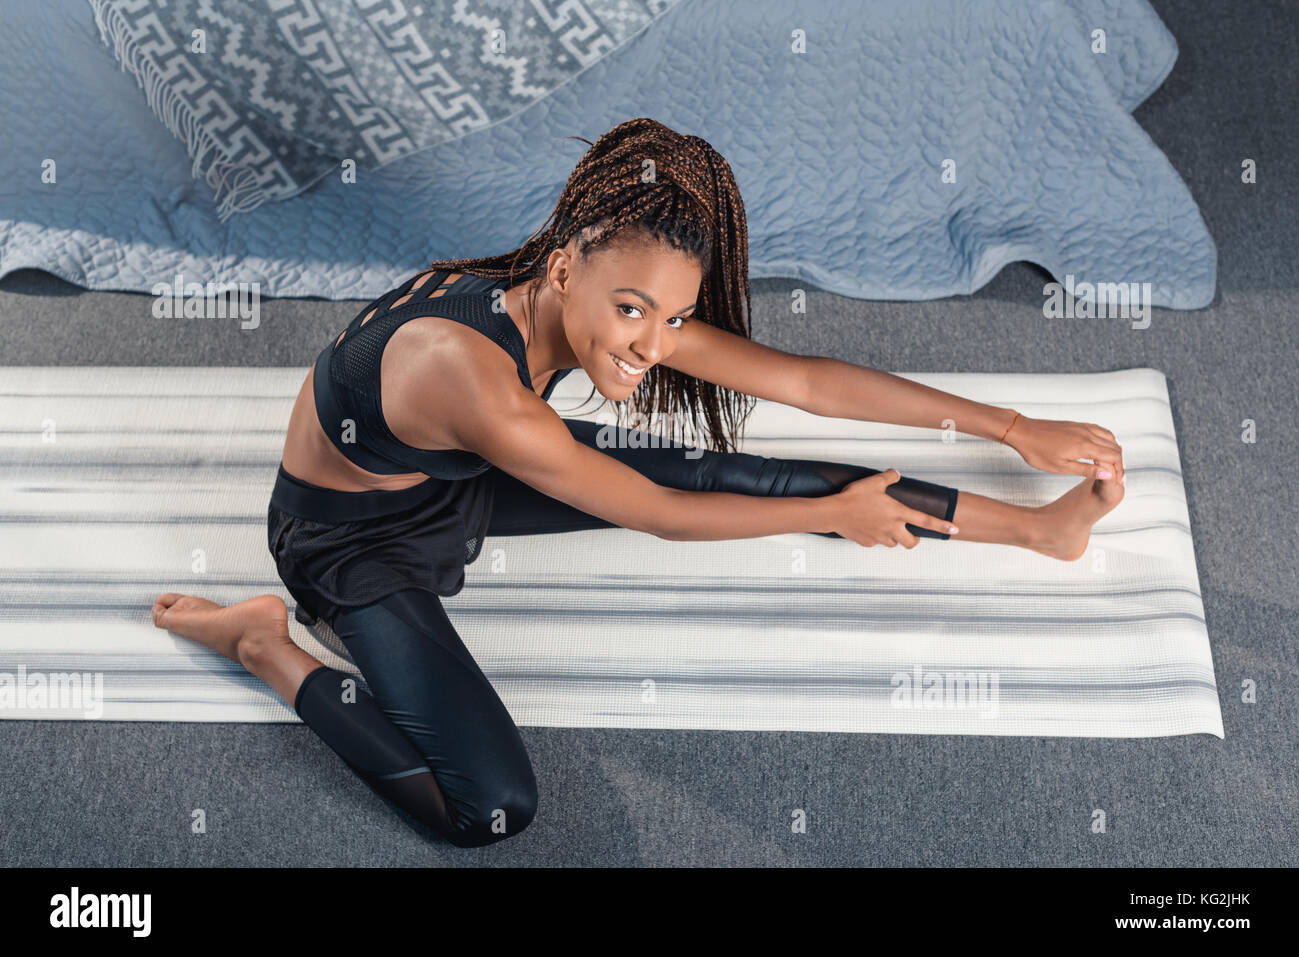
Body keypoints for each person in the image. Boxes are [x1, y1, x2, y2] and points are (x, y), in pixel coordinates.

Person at [151, 118, 1125, 848]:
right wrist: (836, 513)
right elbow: (659, 513)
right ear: (567, 264)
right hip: (348, 544)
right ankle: (264, 648)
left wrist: (1008, 424)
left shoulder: (573, 298)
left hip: (458, 480)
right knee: (488, 809)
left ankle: (1042, 533)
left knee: (760, 471)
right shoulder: (469, 371)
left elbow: (804, 381)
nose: (652, 347)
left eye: (674, 317)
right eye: (632, 311)